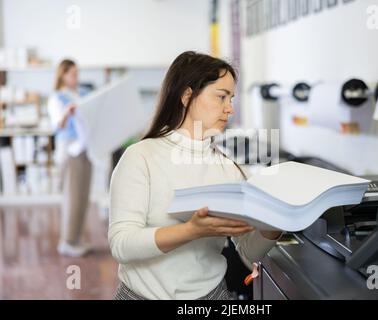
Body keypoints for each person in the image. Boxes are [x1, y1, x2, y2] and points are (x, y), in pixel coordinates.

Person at [109, 51, 282, 300]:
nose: (229, 109)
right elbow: (121, 244)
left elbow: (246, 252)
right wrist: (192, 230)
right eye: (221, 97)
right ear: (187, 95)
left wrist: (274, 227)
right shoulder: (140, 157)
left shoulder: (228, 169)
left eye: (231, 98)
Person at [47, 59, 92, 257]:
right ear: (62, 75)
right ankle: (66, 242)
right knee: (72, 197)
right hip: (70, 150)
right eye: (72, 73)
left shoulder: (82, 94)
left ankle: (75, 238)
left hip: (85, 149)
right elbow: (59, 125)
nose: (76, 77)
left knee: (83, 196)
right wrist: (66, 113)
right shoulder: (56, 98)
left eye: (77, 73)